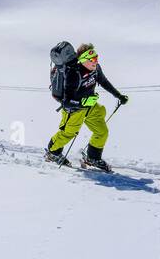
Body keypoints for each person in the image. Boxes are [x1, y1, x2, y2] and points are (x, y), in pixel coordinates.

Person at [44, 43, 128, 171]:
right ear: (83, 61)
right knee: (68, 133)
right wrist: (84, 103)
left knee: (102, 131)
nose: (95, 62)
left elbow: (104, 82)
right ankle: (52, 152)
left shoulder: (95, 69)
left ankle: (93, 157)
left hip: (90, 106)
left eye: (96, 58)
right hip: (74, 110)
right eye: (92, 60)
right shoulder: (73, 74)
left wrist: (119, 96)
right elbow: (66, 102)